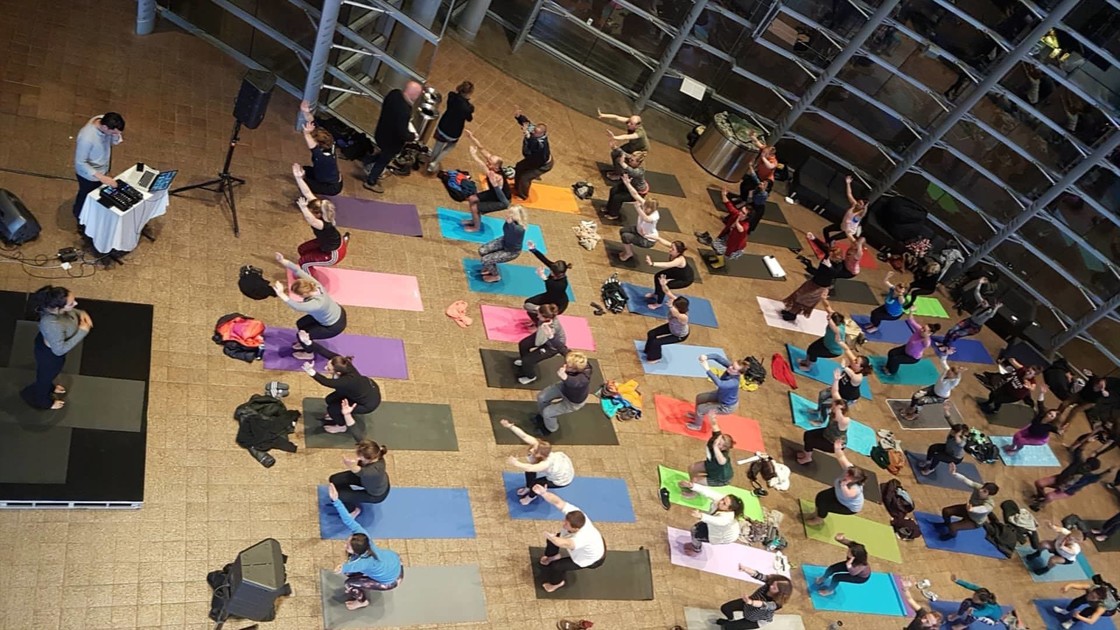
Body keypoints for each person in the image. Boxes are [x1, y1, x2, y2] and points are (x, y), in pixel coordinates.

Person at [325, 484, 403, 610]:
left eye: (348, 546)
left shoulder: (362, 563)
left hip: (391, 581)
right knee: (353, 572)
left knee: (349, 583)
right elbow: (348, 520)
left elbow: (343, 569)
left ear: (358, 553)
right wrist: (336, 500)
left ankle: (362, 601)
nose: (345, 545)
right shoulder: (363, 536)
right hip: (396, 563)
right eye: (348, 541)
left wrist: (341, 567)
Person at [20, 286, 92, 410]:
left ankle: (50, 387)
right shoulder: (51, 324)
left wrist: (81, 313)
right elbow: (59, 351)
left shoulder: (55, 308)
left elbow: (70, 311)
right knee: (44, 379)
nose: (76, 304)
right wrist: (82, 331)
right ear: (57, 308)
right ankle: (43, 401)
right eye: (71, 304)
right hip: (50, 356)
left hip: (51, 349)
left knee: (48, 376)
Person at [272, 253, 346, 360]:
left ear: (304, 294)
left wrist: (281, 294)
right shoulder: (314, 285)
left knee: (302, 335)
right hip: (334, 313)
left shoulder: (316, 304)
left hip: (333, 326)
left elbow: (296, 307)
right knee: (301, 324)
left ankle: (308, 353)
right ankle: (305, 343)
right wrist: (283, 261)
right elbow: (298, 271)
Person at [533, 486, 606, 593]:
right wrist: (544, 493)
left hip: (591, 559)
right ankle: (552, 556)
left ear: (575, 528)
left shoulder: (582, 538)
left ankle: (556, 583)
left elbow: (565, 543)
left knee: (556, 567)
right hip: (587, 543)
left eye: (566, 524)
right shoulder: (576, 514)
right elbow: (558, 502)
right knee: (552, 541)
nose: (563, 523)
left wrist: (551, 536)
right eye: (565, 521)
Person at [363, 80, 421, 193]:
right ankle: (371, 181)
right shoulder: (405, 111)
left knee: (382, 153)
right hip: (391, 142)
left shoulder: (394, 94)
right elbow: (403, 133)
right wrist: (413, 136)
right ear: (414, 95)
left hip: (381, 132)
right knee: (383, 160)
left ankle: (367, 161)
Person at [302, 353, 381, 436]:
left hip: (367, 403)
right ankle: (339, 415)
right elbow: (324, 351)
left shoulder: (346, 381)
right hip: (361, 390)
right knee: (330, 399)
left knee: (332, 409)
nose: (325, 368)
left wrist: (311, 372)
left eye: (329, 369)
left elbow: (326, 382)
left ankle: (341, 426)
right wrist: (308, 342)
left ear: (338, 372)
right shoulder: (343, 363)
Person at [500, 418, 574, 505]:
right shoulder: (539, 446)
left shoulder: (546, 463)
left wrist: (515, 463)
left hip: (562, 479)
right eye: (533, 448)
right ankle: (528, 487)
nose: (531, 450)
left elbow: (530, 467)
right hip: (560, 468)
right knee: (529, 472)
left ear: (540, 456)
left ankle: (530, 497)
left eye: (534, 451)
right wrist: (510, 426)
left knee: (536, 484)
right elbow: (524, 436)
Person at [73, 112, 125, 225]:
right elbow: (80, 162)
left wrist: (115, 136)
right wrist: (102, 178)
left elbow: (114, 141)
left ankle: (91, 215)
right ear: (105, 127)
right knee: (85, 195)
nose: (115, 135)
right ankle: (80, 218)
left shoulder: (103, 121)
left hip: (102, 168)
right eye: (113, 132)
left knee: (95, 194)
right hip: (88, 176)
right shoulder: (86, 138)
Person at [290, 164, 343, 272]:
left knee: (303, 263)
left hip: (333, 254)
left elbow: (311, 220)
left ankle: (310, 284)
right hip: (325, 243)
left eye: (311, 211)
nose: (309, 212)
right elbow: (307, 193)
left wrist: (303, 208)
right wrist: (298, 178)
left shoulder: (323, 224)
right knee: (302, 250)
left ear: (318, 214)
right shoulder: (320, 209)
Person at [459, 130, 510, 232]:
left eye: (489, 162)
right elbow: (482, 149)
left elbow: (482, 165)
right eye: (488, 160)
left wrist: (474, 155)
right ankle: (474, 219)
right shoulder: (495, 165)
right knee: (472, 198)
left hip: (502, 201)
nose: (487, 162)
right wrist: (471, 137)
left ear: (496, 167)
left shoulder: (495, 176)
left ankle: (476, 227)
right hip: (494, 193)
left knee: (475, 208)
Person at [804, 442, 866, 526]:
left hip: (847, 506)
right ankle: (816, 513)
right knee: (820, 497)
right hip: (839, 493)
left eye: (848, 476)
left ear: (854, 480)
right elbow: (841, 457)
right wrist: (837, 448)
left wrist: (843, 485)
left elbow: (848, 494)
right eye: (847, 472)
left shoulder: (855, 489)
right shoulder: (849, 469)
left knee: (824, 505)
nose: (845, 474)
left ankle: (819, 519)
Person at [676, 481, 746, 555]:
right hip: (716, 525)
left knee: (695, 533)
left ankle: (696, 549)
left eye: (724, 503)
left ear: (729, 509)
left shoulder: (727, 518)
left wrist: (701, 516)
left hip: (722, 535)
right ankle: (696, 546)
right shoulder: (721, 500)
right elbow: (708, 492)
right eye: (723, 499)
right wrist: (692, 486)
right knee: (696, 528)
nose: (720, 502)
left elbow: (717, 521)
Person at [533, 351, 593, 436]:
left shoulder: (583, 379)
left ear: (575, 369)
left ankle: (551, 428)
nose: (564, 366)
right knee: (541, 397)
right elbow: (564, 350)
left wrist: (565, 377)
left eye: (567, 366)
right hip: (564, 387)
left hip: (573, 401)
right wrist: (552, 338)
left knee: (548, 413)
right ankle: (543, 416)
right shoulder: (578, 361)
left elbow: (576, 382)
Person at [936, 277, 1002, 353]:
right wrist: (979, 283)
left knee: (956, 334)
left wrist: (996, 308)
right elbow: (976, 293)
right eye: (983, 301)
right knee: (952, 330)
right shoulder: (981, 302)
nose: (983, 302)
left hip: (974, 327)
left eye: (985, 303)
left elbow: (992, 315)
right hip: (969, 320)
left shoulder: (989, 310)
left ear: (989, 305)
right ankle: (944, 343)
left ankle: (948, 347)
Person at [780, 247, 846, 321]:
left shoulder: (839, 264)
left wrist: (830, 267)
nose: (830, 256)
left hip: (820, 286)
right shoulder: (827, 258)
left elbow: (835, 273)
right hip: (813, 281)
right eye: (830, 254)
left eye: (833, 255)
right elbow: (820, 269)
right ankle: (791, 310)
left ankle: (793, 314)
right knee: (798, 295)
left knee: (804, 300)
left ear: (838, 256)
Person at [613, 174, 671, 258]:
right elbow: (635, 194)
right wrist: (627, 183)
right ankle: (629, 246)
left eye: (646, 207)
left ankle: (629, 253)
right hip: (639, 230)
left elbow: (646, 218)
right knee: (623, 231)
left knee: (625, 236)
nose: (644, 208)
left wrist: (637, 207)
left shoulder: (655, 216)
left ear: (651, 209)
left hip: (647, 240)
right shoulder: (645, 205)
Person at [328, 439, 390, 517]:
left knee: (337, 497)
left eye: (359, 455)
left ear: (368, 458)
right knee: (334, 479)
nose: (356, 456)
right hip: (367, 480)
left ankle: (353, 511)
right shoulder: (376, 454)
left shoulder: (374, 471)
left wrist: (350, 464)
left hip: (376, 494)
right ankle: (348, 496)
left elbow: (359, 471)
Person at [716, 567, 793, 629]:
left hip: (756, 619)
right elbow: (758, 575)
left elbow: (763, 604)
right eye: (773, 584)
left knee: (729, 627)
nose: (771, 586)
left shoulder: (776, 604)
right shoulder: (770, 584)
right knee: (725, 608)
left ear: (780, 593)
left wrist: (751, 602)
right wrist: (746, 569)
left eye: (774, 588)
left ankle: (730, 624)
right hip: (748, 604)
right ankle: (730, 620)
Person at [937, 463, 998, 539]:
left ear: (989, 495)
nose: (980, 491)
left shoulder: (989, 504)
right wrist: (954, 473)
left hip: (974, 521)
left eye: (984, 491)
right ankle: (946, 523)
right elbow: (966, 480)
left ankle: (951, 535)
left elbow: (983, 509)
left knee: (953, 527)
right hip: (967, 510)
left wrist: (972, 509)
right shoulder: (979, 488)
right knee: (946, 511)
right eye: (983, 488)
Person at [426, 80, 474, 173]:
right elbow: (469, 119)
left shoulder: (451, 95)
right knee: (450, 146)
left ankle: (431, 162)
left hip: (443, 125)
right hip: (454, 132)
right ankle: (435, 163)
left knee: (438, 144)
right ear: (469, 93)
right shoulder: (467, 108)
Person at [296, 101, 342, 195]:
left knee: (302, 181)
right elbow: (312, 123)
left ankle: (310, 200)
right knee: (303, 169)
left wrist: (306, 133)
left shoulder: (323, 157)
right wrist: (306, 112)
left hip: (331, 187)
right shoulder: (329, 141)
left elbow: (311, 145)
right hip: (324, 175)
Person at [515, 303, 568, 385]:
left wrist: (541, 327)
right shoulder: (545, 314)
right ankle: (525, 363)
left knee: (528, 361)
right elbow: (526, 305)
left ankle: (531, 377)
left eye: (540, 315)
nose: (537, 316)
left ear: (547, 318)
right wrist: (538, 308)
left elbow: (539, 342)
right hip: (543, 336)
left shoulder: (550, 327)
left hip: (552, 346)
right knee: (523, 344)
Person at [688, 355, 744, 431]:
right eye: (732, 365)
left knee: (701, 409)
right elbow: (718, 357)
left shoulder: (734, 382)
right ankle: (697, 416)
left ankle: (697, 426)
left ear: (739, 373)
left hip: (726, 406)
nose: (730, 367)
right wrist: (706, 357)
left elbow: (719, 383)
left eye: (733, 368)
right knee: (700, 397)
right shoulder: (730, 368)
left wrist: (707, 369)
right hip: (720, 395)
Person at [808, 175, 866, 249]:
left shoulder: (859, 214)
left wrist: (865, 207)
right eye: (858, 202)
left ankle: (829, 250)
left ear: (863, 207)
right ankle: (827, 245)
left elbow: (863, 213)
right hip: (842, 225)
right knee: (826, 230)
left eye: (860, 204)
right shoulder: (854, 205)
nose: (858, 203)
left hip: (848, 231)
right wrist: (848, 183)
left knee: (832, 239)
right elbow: (849, 194)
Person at [681, 415, 736, 492]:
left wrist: (715, 447)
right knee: (692, 468)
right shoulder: (717, 437)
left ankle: (693, 491)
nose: (716, 442)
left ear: (723, 448)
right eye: (718, 439)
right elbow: (714, 425)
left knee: (696, 481)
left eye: (719, 444)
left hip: (720, 478)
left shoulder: (722, 454)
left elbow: (722, 461)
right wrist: (711, 416)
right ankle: (692, 485)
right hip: (711, 466)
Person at [702, 186, 752, 269]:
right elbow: (729, 206)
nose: (740, 213)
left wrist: (738, 219)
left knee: (718, 248)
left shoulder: (745, 225)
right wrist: (724, 195)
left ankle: (720, 262)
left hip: (733, 243)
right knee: (716, 246)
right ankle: (718, 257)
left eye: (743, 213)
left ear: (747, 217)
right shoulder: (737, 214)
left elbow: (741, 229)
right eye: (741, 210)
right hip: (727, 237)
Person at [641, 279, 689, 363]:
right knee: (651, 333)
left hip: (678, 335)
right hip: (671, 327)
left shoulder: (684, 317)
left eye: (674, 305)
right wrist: (663, 285)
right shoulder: (676, 303)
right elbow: (667, 292)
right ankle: (648, 350)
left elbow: (676, 314)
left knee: (657, 342)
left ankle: (656, 358)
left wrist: (670, 306)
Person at [476, 206, 527, 283]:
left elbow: (516, 230)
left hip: (511, 251)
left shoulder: (520, 228)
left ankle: (496, 276)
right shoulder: (509, 222)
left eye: (510, 213)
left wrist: (510, 223)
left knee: (485, 260)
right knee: (482, 250)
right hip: (504, 240)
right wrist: (509, 222)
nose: (507, 214)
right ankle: (490, 266)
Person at [902, 356, 962, 421]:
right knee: (915, 395)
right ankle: (911, 407)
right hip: (933, 389)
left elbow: (957, 380)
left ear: (954, 376)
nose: (948, 373)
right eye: (949, 371)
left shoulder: (952, 383)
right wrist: (946, 353)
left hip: (940, 397)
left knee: (920, 401)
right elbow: (943, 360)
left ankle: (915, 414)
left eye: (950, 374)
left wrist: (959, 373)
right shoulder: (946, 371)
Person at [816, 355, 872, 423]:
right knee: (822, 395)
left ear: (861, 368)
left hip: (846, 398)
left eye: (856, 361)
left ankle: (821, 421)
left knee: (825, 405)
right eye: (855, 359)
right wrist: (841, 344)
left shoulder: (858, 378)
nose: (853, 361)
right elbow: (847, 350)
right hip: (839, 389)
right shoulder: (854, 364)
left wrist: (844, 367)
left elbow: (853, 376)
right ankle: (818, 411)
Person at [523, 245, 571, 324]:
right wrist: (534, 250)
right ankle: (539, 316)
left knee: (537, 312)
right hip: (548, 296)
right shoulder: (556, 270)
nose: (550, 272)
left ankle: (541, 323)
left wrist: (543, 276)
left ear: (558, 274)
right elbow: (545, 260)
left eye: (551, 272)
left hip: (557, 304)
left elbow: (550, 287)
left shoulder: (562, 284)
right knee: (528, 303)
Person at [512, 108, 553, 199]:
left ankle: (523, 195)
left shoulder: (542, 144)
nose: (533, 133)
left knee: (525, 177)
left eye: (536, 133)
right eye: (533, 131)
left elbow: (534, 146)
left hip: (542, 164)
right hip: (532, 159)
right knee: (519, 167)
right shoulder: (534, 131)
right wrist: (519, 117)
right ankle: (517, 186)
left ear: (542, 134)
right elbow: (527, 123)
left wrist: (527, 135)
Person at [797, 398, 851, 464]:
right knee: (807, 434)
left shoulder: (844, 421)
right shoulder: (834, 411)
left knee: (810, 441)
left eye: (835, 407)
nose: (832, 407)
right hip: (827, 432)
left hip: (834, 444)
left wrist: (837, 408)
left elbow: (840, 417)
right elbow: (835, 393)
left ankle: (808, 458)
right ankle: (807, 454)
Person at [602, 153, 653, 222]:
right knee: (613, 190)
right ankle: (609, 208)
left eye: (632, 160)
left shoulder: (639, 171)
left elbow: (631, 171)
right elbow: (623, 153)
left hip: (638, 192)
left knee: (618, 197)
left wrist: (622, 163)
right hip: (629, 184)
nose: (630, 161)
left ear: (638, 162)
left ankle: (614, 214)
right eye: (630, 159)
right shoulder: (631, 162)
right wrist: (615, 148)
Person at [597, 110, 648, 179]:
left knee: (619, 159)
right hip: (631, 145)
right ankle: (617, 170)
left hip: (638, 151)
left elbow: (627, 137)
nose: (628, 124)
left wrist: (615, 137)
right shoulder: (631, 122)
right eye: (629, 122)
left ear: (637, 125)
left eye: (631, 124)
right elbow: (617, 117)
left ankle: (619, 175)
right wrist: (603, 115)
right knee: (614, 153)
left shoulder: (640, 133)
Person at [645, 241, 695, 309]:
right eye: (671, 247)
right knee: (658, 276)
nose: (670, 249)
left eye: (673, 249)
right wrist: (657, 238)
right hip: (677, 271)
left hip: (685, 279)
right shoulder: (676, 251)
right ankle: (656, 294)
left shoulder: (679, 260)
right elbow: (666, 243)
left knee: (664, 286)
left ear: (678, 252)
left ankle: (658, 303)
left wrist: (652, 263)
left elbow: (667, 265)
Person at [1052, 580, 1119, 629]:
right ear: (1092, 590)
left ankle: (1071, 622)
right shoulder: (1093, 588)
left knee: (1088, 611)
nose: (1090, 597)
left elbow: (1091, 621)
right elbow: (1074, 585)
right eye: (1091, 594)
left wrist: (1078, 616)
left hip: (1109, 610)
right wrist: (1067, 587)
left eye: (1093, 597)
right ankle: (1066, 611)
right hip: (1099, 599)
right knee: (1079, 600)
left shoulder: (1102, 606)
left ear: (1098, 600)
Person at [798, 304, 848, 370]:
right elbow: (828, 307)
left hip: (833, 350)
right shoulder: (835, 318)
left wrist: (829, 319)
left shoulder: (839, 329)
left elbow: (835, 329)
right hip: (826, 341)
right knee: (811, 348)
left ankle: (809, 366)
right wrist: (823, 299)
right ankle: (806, 361)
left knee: (814, 353)